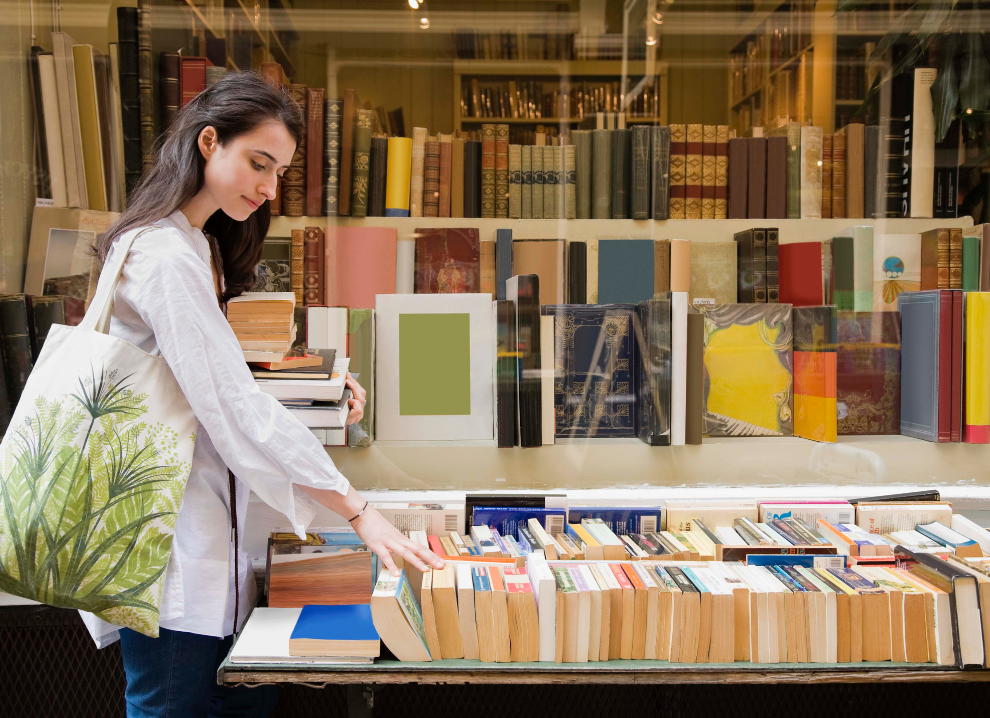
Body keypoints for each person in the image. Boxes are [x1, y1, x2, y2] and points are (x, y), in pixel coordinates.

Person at [84, 71, 445, 718]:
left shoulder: (195, 247)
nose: (269, 187)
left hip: (211, 566)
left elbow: (208, 380)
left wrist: (322, 390)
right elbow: (229, 405)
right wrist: (358, 511)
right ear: (207, 142)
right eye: (258, 163)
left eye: (278, 171)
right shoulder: (163, 258)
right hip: (170, 568)